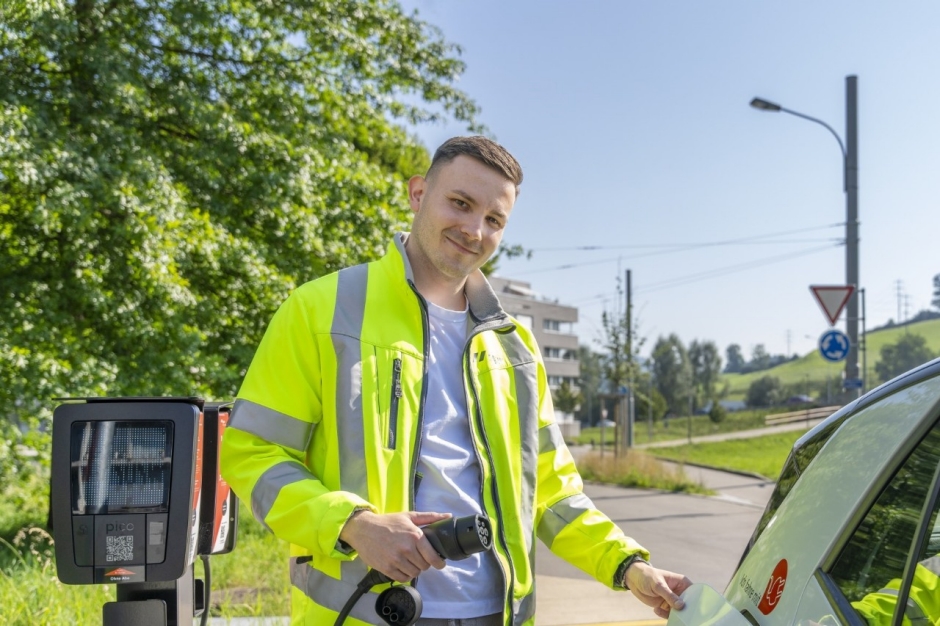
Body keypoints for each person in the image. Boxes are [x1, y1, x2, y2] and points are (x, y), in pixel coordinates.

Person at [220, 136, 692, 625]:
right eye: (461, 204)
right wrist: (354, 525)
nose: (474, 230)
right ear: (419, 193)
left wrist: (630, 565)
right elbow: (252, 453)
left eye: (494, 220)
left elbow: (551, 492)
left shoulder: (517, 349)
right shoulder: (322, 309)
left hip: (497, 615)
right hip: (364, 612)